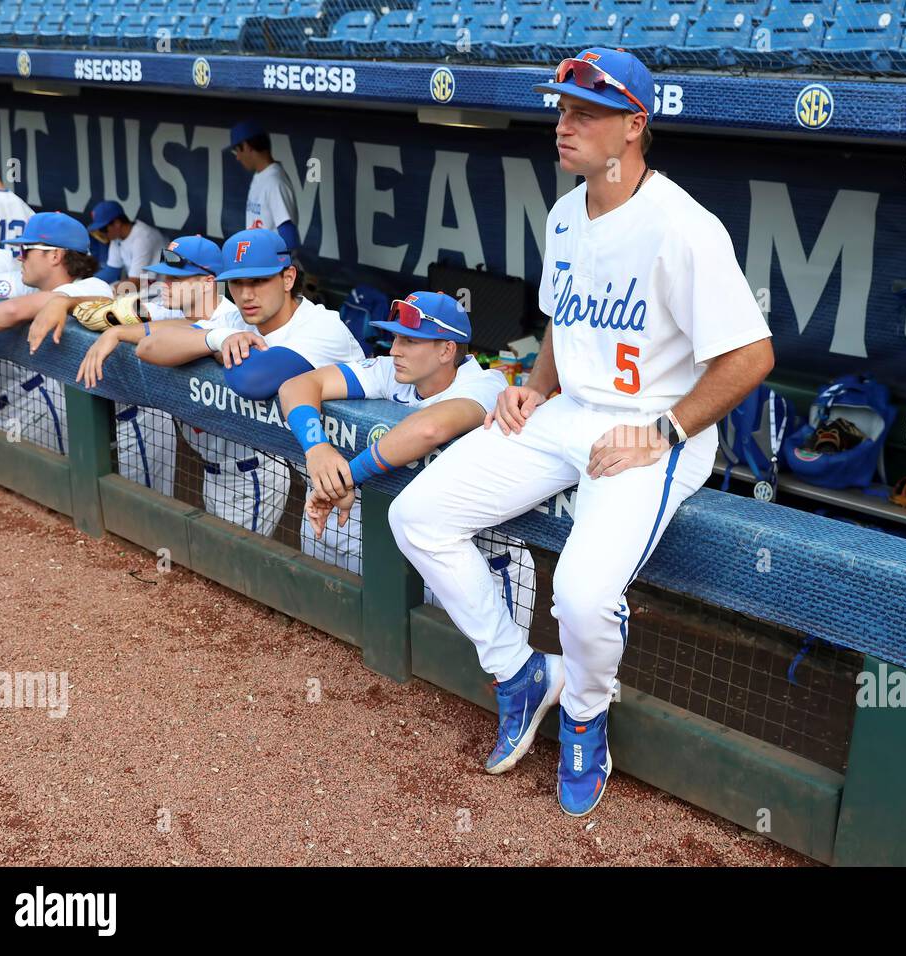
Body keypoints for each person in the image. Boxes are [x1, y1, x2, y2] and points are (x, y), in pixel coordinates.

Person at [389, 48, 775, 816]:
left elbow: (752, 356)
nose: (564, 125)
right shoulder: (566, 212)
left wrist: (664, 429)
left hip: (653, 428)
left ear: (634, 125)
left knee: (582, 596)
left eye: (585, 113)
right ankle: (518, 671)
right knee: (417, 516)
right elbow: (565, 321)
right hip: (567, 415)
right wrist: (532, 389)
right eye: (561, 109)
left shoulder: (683, 227)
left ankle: (586, 714)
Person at [282, 291, 536, 627]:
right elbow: (297, 385)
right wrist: (317, 450)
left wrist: (345, 478)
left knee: (485, 673)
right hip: (430, 553)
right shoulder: (394, 371)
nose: (394, 349)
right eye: (396, 337)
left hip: (489, 562)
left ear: (446, 350)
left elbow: (429, 428)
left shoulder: (486, 385)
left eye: (410, 340)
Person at [130, 229, 362, 535]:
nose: (246, 294)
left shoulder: (322, 326)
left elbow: (251, 379)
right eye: (237, 283)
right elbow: (149, 346)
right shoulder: (236, 322)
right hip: (318, 488)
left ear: (288, 278)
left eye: (258, 280)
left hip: (364, 498)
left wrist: (209, 347)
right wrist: (216, 338)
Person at [26, 235, 241, 497]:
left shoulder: (233, 320)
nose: (165, 285)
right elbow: (108, 312)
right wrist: (63, 302)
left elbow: (187, 334)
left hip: (250, 467)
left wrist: (119, 334)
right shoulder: (172, 310)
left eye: (176, 279)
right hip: (213, 460)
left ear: (208, 282)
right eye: (165, 277)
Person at [0, 212, 111, 453]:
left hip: (117, 415)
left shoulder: (94, 287)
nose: (19, 258)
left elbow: (13, 310)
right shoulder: (26, 282)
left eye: (25, 250)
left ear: (55, 255)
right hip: (37, 402)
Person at [230, 121, 300, 254]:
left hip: (272, 269)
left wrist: (280, 271)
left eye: (238, 151)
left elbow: (288, 235)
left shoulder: (275, 181)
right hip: (260, 266)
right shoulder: (261, 175)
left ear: (247, 146)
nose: (238, 158)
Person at [87, 200, 166, 292]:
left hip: (162, 290)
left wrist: (107, 292)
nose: (101, 233)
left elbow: (134, 283)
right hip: (143, 287)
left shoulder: (143, 237)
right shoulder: (117, 237)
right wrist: (86, 283)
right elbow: (111, 271)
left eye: (103, 229)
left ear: (117, 223)